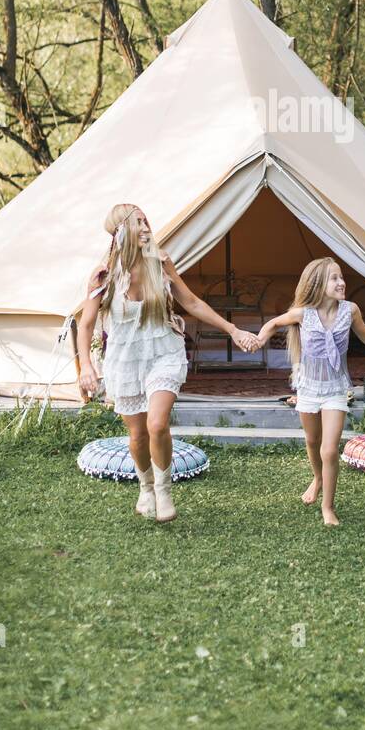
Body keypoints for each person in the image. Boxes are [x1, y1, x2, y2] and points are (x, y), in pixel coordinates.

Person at [76, 204, 259, 522]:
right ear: (122, 231)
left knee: (157, 423)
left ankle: (163, 490)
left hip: (164, 351)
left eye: (147, 220)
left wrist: (232, 329)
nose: (147, 227)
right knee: (137, 436)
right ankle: (145, 488)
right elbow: (86, 324)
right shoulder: (104, 275)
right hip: (126, 360)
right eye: (139, 222)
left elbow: (190, 301)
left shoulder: (160, 263)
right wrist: (87, 367)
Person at [255, 257, 365, 526]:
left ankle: (328, 507)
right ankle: (317, 478)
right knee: (312, 441)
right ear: (318, 284)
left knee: (329, 449)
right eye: (334, 278)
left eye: (341, 277)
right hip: (308, 387)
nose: (341, 282)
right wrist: (260, 338)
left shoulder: (350, 310)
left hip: (335, 389)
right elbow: (274, 323)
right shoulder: (303, 314)